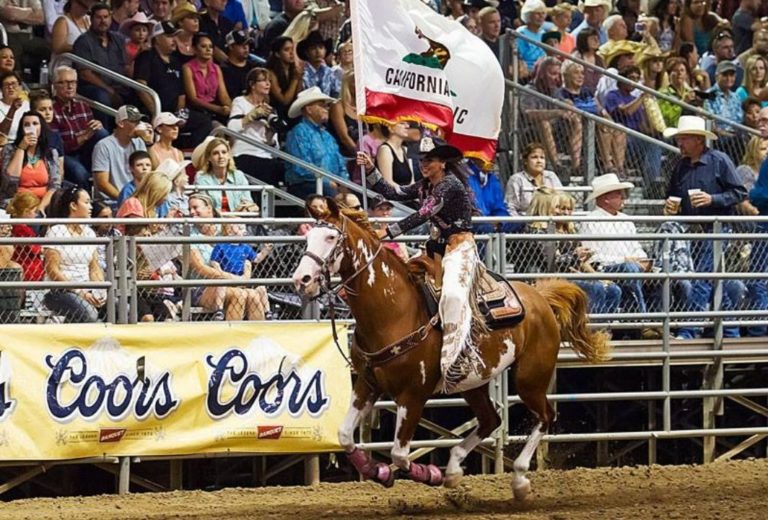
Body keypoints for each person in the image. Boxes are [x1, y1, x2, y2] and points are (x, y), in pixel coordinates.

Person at [358, 137, 481, 392]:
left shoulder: (449, 185)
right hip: (436, 250)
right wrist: (370, 169)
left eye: (430, 160)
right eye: (422, 160)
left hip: (460, 248)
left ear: (443, 163)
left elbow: (424, 213)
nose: (424, 164)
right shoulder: (426, 185)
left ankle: (457, 357)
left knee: (453, 295)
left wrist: (387, 232)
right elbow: (394, 193)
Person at [663, 115, 748, 339]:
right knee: (714, 282)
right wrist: (670, 206)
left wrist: (713, 199)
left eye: (684, 139)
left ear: (699, 140)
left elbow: (739, 193)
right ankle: (731, 332)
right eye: (679, 139)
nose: (679, 143)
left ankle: (688, 331)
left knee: (702, 279)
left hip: (718, 230)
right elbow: (671, 194)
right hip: (694, 232)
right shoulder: (680, 165)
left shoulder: (719, 160)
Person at [580, 174, 653, 334]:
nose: (623, 197)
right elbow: (593, 257)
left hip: (631, 265)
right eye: (619, 194)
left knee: (657, 272)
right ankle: (643, 322)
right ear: (606, 198)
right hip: (603, 268)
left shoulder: (626, 220)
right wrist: (624, 259)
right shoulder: (591, 220)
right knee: (630, 268)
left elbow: (636, 247)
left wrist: (643, 259)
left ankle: (652, 324)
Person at [43, 187, 106, 323]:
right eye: (86, 202)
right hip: (60, 291)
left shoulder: (89, 233)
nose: (91, 207)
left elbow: (94, 268)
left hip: (87, 289)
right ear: (73, 205)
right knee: (89, 315)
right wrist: (79, 292)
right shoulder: (56, 231)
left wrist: (100, 290)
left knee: (121, 307)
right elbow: (52, 270)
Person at [284, 87, 350, 199]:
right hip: (305, 185)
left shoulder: (327, 135)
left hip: (329, 185)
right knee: (331, 192)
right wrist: (328, 182)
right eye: (322, 105)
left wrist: (344, 182)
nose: (326, 109)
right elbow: (301, 167)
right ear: (309, 109)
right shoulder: (299, 132)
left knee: (355, 195)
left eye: (326, 106)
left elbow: (340, 163)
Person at [49, 66, 108, 189]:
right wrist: (84, 136)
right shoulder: (50, 109)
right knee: (80, 173)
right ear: (55, 85)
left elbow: (92, 135)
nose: (70, 86)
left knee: (101, 133)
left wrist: (96, 127)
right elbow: (57, 147)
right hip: (64, 155)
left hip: (85, 151)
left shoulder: (83, 106)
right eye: (64, 82)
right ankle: (85, 197)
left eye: (73, 82)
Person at [71, 3, 128, 129]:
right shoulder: (83, 41)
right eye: (98, 17)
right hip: (93, 87)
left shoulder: (119, 39)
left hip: (119, 85)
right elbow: (85, 74)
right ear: (91, 19)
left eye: (106, 17)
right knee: (102, 97)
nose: (103, 21)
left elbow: (126, 66)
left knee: (139, 93)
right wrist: (109, 90)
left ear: (111, 18)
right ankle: (104, 132)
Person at [227, 67, 284, 186]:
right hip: (244, 152)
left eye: (269, 81)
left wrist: (270, 135)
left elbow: (275, 148)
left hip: (265, 155)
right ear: (252, 84)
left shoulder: (270, 110)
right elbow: (231, 129)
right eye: (263, 80)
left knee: (276, 167)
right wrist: (251, 116)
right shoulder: (240, 101)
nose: (268, 84)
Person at [0, 111, 61, 214]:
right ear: (22, 129)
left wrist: (41, 207)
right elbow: (9, 182)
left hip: (43, 204)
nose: (31, 128)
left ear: (41, 128)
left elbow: (55, 186)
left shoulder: (50, 152)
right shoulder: (9, 150)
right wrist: (21, 148)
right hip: (17, 204)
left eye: (35, 124)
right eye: (27, 124)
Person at [210, 218, 272, 320]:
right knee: (220, 285)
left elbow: (256, 259)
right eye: (240, 228)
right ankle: (219, 310)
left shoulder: (245, 247)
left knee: (261, 288)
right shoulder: (221, 246)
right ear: (229, 231)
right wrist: (221, 273)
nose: (244, 231)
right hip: (227, 280)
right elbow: (214, 262)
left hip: (243, 280)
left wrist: (265, 250)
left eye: (244, 228)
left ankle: (268, 312)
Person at [91, 105, 148, 203]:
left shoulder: (139, 142)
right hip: (112, 202)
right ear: (121, 123)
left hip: (137, 200)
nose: (138, 125)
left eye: (139, 122)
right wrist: (126, 200)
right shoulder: (103, 146)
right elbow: (102, 183)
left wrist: (149, 143)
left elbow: (147, 173)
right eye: (134, 122)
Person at [193, 137, 254, 212]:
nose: (221, 156)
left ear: (228, 156)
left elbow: (248, 202)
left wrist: (245, 209)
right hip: (214, 219)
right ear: (209, 158)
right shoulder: (202, 179)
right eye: (215, 153)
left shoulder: (238, 175)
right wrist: (232, 216)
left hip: (239, 218)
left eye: (224, 152)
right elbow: (205, 210)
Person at [182, 32, 232, 124]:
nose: (208, 49)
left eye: (210, 47)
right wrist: (217, 109)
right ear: (195, 49)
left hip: (215, 109)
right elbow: (193, 99)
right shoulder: (187, 68)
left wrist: (232, 109)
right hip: (196, 110)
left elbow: (224, 96)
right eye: (203, 46)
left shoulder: (216, 68)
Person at [505, 142, 562, 216]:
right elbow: (510, 208)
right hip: (525, 220)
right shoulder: (516, 179)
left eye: (542, 157)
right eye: (534, 157)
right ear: (525, 161)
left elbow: (562, 200)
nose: (539, 161)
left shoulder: (551, 176)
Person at [6, 191, 44, 282]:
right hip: (29, 269)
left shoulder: (16, 227)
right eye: (35, 211)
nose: (36, 215)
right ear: (26, 211)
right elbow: (36, 249)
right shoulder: (23, 230)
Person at [265, 36, 303, 123]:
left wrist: (299, 78)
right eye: (286, 50)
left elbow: (298, 95)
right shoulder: (271, 73)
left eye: (292, 49)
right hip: (277, 114)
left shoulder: (294, 70)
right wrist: (295, 79)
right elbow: (284, 101)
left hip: (293, 111)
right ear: (277, 54)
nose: (291, 53)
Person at [50, 0, 92, 73]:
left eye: (87, 7)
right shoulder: (63, 21)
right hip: (65, 66)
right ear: (73, 2)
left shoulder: (89, 20)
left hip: (85, 66)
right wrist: (81, 47)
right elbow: (58, 47)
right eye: (82, 5)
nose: (84, 9)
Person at [375, 120, 414, 189]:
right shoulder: (385, 149)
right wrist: (407, 191)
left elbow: (412, 181)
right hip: (392, 194)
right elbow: (388, 183)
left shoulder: (405, 149)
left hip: (406, 193)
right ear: (390, 128)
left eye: (408, 123)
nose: (407, 126)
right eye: (402, 123)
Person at [298, 30, 336, 97]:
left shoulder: (329, 72)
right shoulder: (301, 72)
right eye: (313, 48)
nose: (318, 51)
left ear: (325, 51)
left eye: (321, 47)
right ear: (307, 53)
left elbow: (336, 94)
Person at [222, 29, 257, 98]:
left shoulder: (254, 66)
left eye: (247, 44)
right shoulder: (224, 70)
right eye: (241, 44)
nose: (246, 47)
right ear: (231, 47)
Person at [572, 27, 605, 93]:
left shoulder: (599, 59)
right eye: (592, 39)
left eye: (597, 38)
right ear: (584, 41)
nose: (596, 41)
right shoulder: (576, 58)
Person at [0, 71, 29, 144]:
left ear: (20, 88)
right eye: (6, 85)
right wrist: (12, 110)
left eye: (14, 84)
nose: (10, 87)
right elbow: (1, 134)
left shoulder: (27, 105)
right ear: (1, 90)